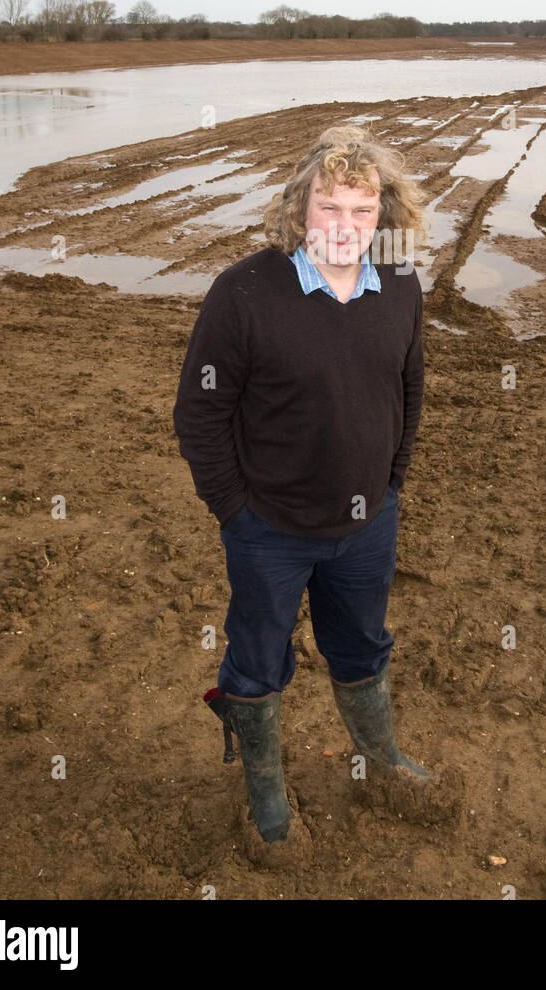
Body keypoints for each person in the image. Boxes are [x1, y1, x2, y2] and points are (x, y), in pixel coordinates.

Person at [173, 123, 431, 842]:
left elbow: (408, 391)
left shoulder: (402, 286)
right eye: (329, 206)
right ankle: (264, 789)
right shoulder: (244, 292)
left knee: (363, 645)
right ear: (299, 205)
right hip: (270, 532)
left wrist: (391, 488)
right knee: (257, 658)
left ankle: (379, 756)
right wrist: (236, 513)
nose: (345, 226)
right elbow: (200, 413)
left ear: (384, 215)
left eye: (362, 209)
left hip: (368, 526)